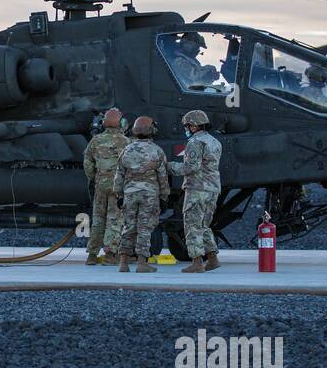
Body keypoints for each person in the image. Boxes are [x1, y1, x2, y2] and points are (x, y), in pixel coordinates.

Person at [113, 116, 171, 273]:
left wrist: (119, 195)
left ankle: (123, 263)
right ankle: (141, 263)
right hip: (149, 195)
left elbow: (119, 175)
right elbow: (163, 177)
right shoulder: (157, 151)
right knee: (144, 228)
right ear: (152, 131)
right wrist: (164, 196)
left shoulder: (127, 150)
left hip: (130, 194)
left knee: (128, 227)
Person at [167, 108, 222, 273]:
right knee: (204, 224)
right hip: (212, 189)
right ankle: (212, 259)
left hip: (197, 188)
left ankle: (197, 262)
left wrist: (169, 166)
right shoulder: (214, 142)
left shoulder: (195, 142)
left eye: (187, 126)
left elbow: (191, 167)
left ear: (194, 126)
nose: (186, 129)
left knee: (192, 225)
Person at [82, 107, 128, 265]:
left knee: (98, 219)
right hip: (118, 187)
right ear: (121, 123)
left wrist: (94, 177)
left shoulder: (96, 140)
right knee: (114, 219)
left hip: (101, 185)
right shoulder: (126, 142)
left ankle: (92, 255)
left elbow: (87, 162)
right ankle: (110, 254)